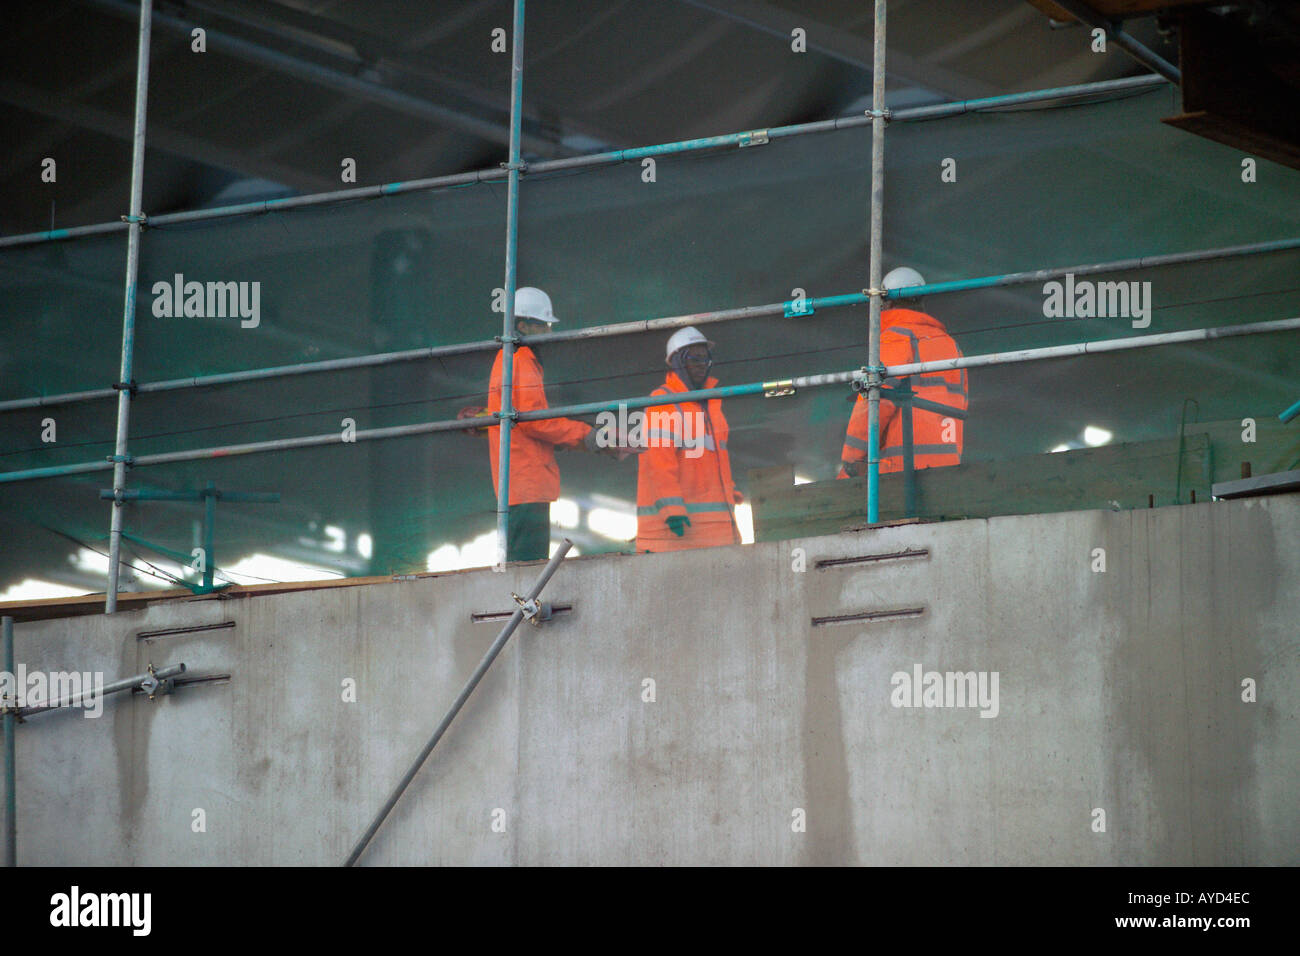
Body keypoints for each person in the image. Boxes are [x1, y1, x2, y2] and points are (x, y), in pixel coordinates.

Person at [483, 287, 603, 562]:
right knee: (528, 569)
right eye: (542, 326)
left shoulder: (512, 360)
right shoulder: (521, 360)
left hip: (520, 483)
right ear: (522, 326)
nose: (548, 333)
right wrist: (586, 435)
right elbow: (536, 421)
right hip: (527, 484)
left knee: (521, 567)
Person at [839, 267, 968, 478]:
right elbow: (959, 408)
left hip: (902, 473)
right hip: (947, 471)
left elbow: (876, 401)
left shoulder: (896, 337)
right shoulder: (951, 345)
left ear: (886, 302)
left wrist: (851, 459)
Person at [636, 327, 743, 553]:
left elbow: (716, 460)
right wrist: (672, 511)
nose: (701, 364)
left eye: (705, 358)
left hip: (716, 534)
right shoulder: (663, 402)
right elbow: (658, 463)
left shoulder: (711, 405)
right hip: (673, 535)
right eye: (693, 358)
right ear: (677, 362)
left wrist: (729, 491)